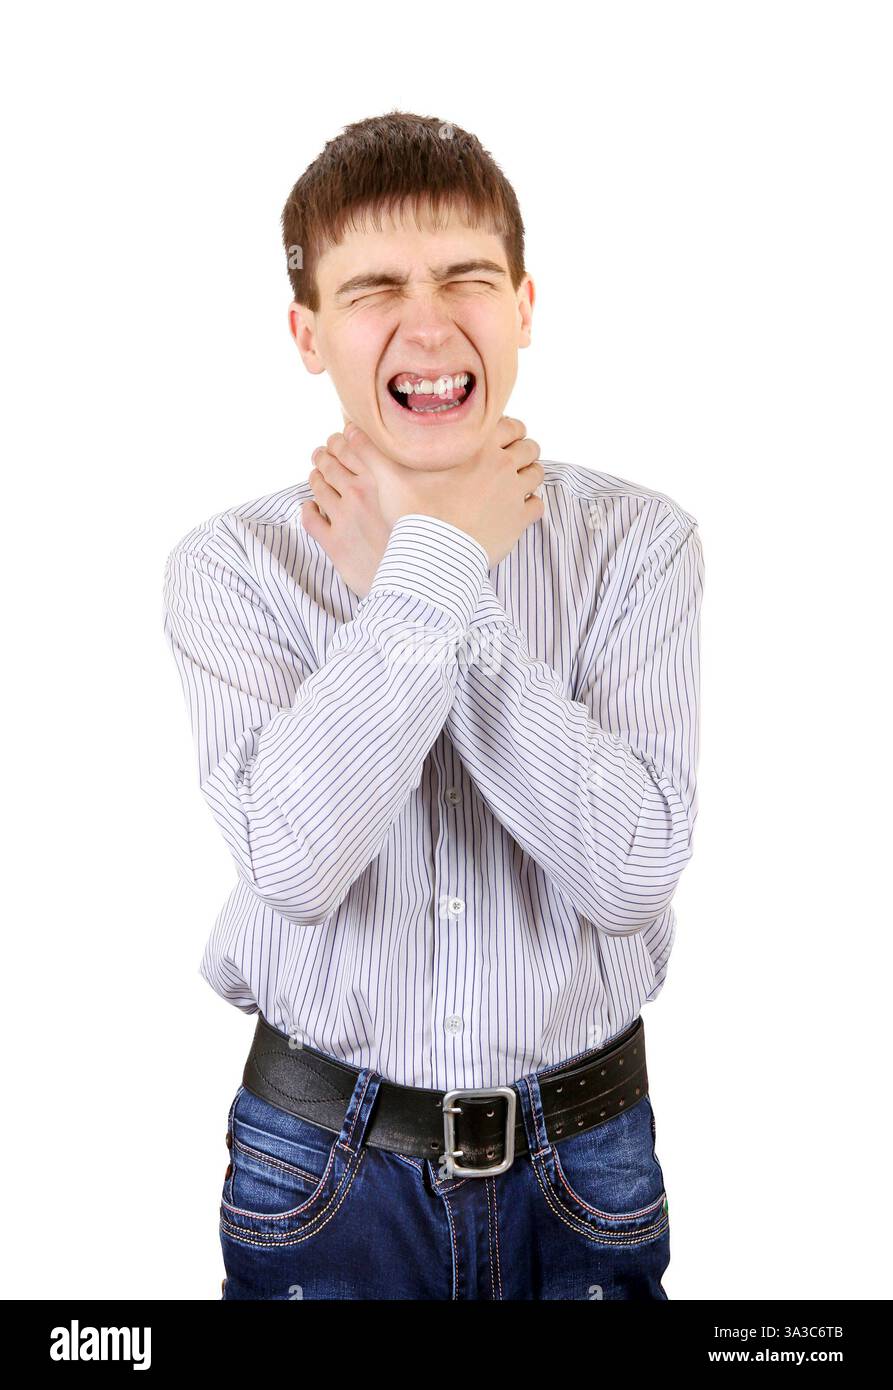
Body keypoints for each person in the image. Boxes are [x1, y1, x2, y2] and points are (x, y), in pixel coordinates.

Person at [162, 110, 704, 1301]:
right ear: (309, 334)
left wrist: (420, 579)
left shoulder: (637, 546)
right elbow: (292, 865)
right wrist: (442, 570)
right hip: (319, 1171)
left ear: (521, 304)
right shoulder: (232, 567)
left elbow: (627, 872)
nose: (426, 321)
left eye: (465, 274)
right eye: (373, 288)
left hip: (586, 1165)